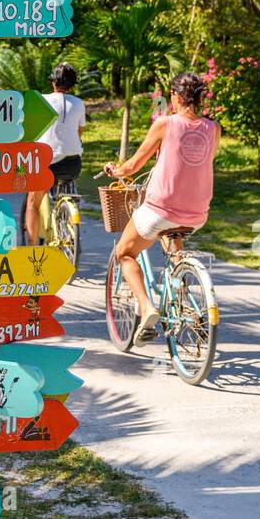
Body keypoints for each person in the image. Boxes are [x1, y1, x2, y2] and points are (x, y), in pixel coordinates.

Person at [104, 71, 220, 345]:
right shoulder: (214, 128)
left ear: (177, 97)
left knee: (124, 252)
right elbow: (200, 161)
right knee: (172, 241)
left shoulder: (165, 124)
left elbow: (133, 166)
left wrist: (115, 170)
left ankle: (147, 308)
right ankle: (185, 302)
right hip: (197, 212)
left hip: (161, 208)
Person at [26, 62, 86, 245]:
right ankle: (67, 229)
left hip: (47, 162)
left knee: (32, 204)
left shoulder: (42, 100)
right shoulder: (79, 103)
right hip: (73, 162)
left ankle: (32, 246)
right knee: (65, 193)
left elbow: (31, 128)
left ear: (53, 82)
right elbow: (79, 132)